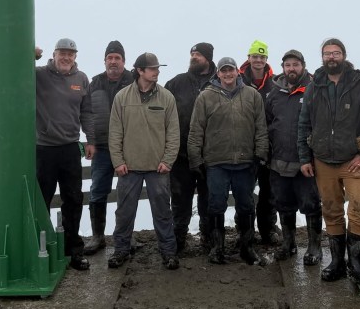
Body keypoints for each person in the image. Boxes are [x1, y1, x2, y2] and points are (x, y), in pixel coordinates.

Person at [298, 38, 360, 285]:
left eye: (336, 53)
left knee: (359, 205)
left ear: (344, 55)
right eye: (327, 53)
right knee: (331, 210)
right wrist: (305, 157)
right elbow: (304, 124)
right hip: (323, 160)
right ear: (322, 57)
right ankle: (336, 263)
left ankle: (355, 262)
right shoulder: (314, 86)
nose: (331, 57)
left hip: (352, 160)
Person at [188, 57, 269, 265]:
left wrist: (260, 154)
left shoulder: (252, 95)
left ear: (237, 72)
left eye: (231, 70)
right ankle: (217, 247)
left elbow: (261, 127)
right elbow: (196, 130)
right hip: (216, 163)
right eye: (223, 71)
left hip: (245, 162)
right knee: (215, 206)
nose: (227, 74)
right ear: (218, 74)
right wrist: (195, 159)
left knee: (246, 205)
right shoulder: (205, 97)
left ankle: (247, 246)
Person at [107, 53, 181, 270]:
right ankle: (121, 251)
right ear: (140, 71)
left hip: (158, 168)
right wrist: (118, 161)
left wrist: (168, 161)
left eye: (157, 68)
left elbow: (173, 132)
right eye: (152, 68)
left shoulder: (167, 97)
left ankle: (168, 253)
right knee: (124, 212)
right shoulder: (122, 97)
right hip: (128, 168)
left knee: (163, 212)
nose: (157, 71)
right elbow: (115, 132)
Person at [35, 37, 96, 271]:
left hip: (71, 148)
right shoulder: (40, 74)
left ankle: (73, 250)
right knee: (42, 200)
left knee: (73, 199)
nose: (66, 57)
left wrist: (90, 140)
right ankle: (42, 248)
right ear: (54, 54)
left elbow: (87, 111)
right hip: (44, 149)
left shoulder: (81, 79)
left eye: (70, 54)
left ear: (75, 57)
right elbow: (16, 73)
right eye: (62, 52)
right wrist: (30, 55)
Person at [264, 49, 323, 265]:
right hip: (279, 163)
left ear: (303, 66)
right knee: (283, 205)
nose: (291, 69)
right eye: (287, 65)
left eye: (295, 65)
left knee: (311, 205)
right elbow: (267, 122)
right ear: (282, 68)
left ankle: (314, 247)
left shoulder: (314, 90)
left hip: (306, 164)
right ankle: (288, 244)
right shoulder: (274, 94)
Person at [164, 42, 216, 254]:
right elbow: (162, 116)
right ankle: (178, 238)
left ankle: (208, 236)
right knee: (179, 199)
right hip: (181, 155)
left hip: (211, 155)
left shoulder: (220, 81)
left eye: (199, 54)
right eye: (192, 54)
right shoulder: (176, 83)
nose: (194, 57)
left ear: (208, 58)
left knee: (209, 199)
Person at [84, 40, 134, 254]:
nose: (113, 61)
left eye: (117, 58)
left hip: (129, 147)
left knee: (129, 193)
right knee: (97, 191)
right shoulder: (94, 83)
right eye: (110, 58)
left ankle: (125, 238)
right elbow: (86, 114)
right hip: (103, 148)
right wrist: (90, 140)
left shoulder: (134, 81)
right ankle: (98, 237)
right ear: (104, 60)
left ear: (124, 61)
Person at [238, 39, 278, 244]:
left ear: (266, 59)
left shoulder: (276, 83)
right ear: (248, 58)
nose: (258, 60)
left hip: (269, 148)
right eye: (255, 56)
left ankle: (268, 230)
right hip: (243, 146)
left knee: (268, 191)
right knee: (243, 192)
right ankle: (244, 232)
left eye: (262, 57)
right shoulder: (237, 81)